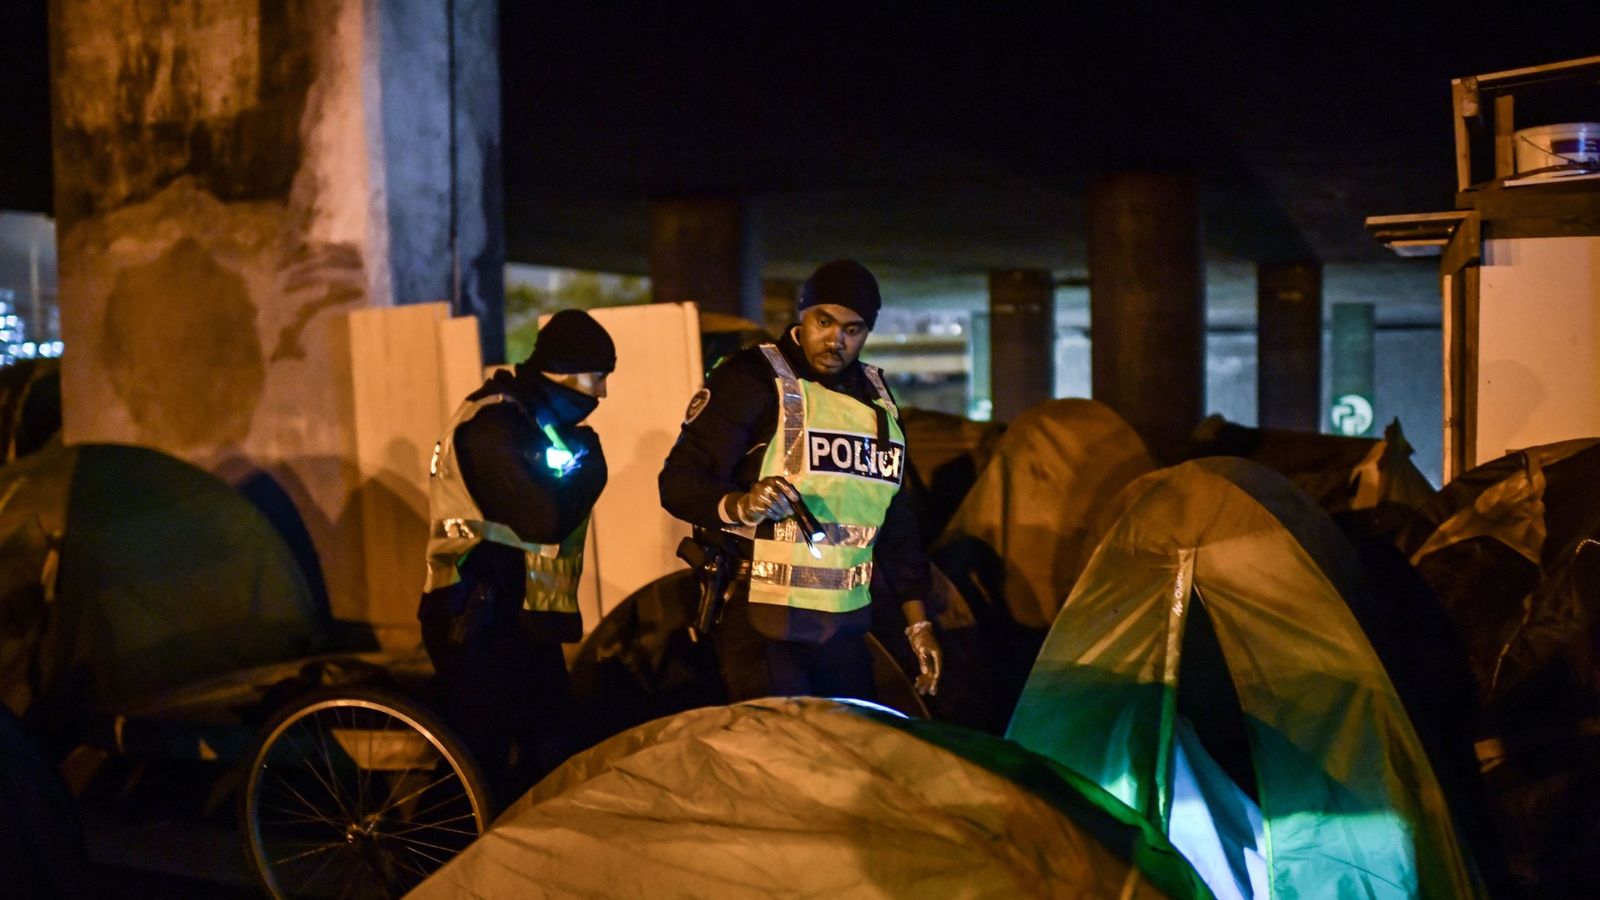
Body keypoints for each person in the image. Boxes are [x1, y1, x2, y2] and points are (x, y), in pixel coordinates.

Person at [659, 259, 942, 702]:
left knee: (846, 754)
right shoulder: (750, 378)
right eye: (824, 322)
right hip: (761, 620)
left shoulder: (877, 400)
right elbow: (678, 482)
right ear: (802, 315)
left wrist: (918, 623)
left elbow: (895, 524)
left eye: (854, 329)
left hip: (844, 627)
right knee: (778, 760)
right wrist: (741, 504)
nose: (836, 340)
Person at [418, 308, 614, 806]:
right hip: (475, 615)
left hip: (521, 618)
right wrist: (592, 468)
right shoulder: (495, 423)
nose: (602, 394)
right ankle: (422, 870)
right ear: (563, 370)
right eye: (597, 377)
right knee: (472, 768)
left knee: (548, 759)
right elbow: (543, 519)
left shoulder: (534, 421)